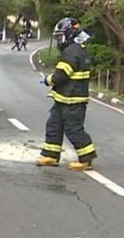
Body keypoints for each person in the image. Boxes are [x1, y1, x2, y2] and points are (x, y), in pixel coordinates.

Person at [36, 17, 95, 171]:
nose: (59, 40)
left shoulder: (71, 52)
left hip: (73, 99)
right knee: (54, 125)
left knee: (73, 129)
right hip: (64, 98)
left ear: (68, 34)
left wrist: (48, 80)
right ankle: (51, 155)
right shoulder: (75, 49)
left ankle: (86, 160)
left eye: (60, 36)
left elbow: (61, 75)